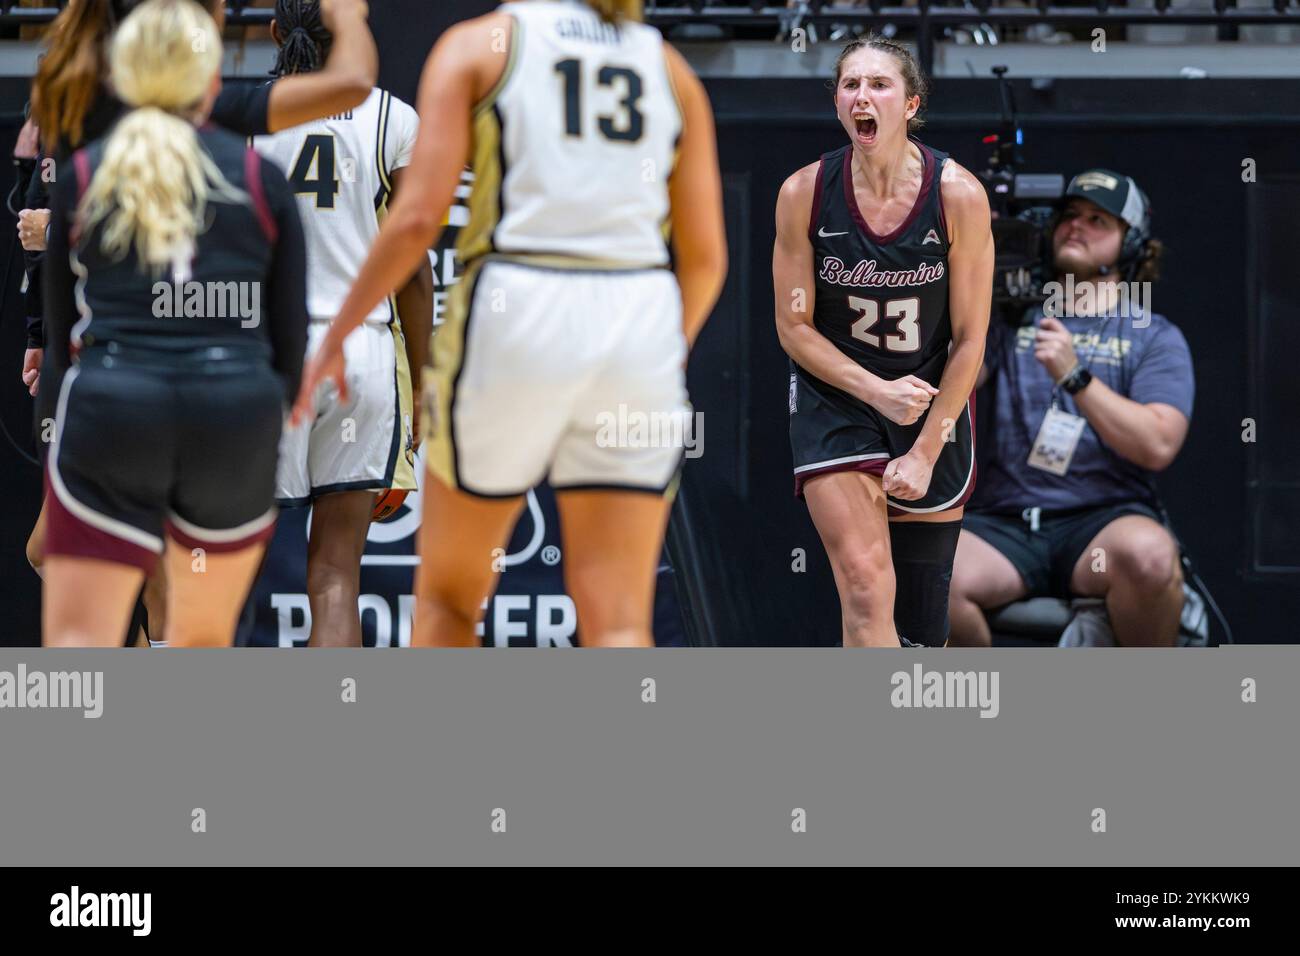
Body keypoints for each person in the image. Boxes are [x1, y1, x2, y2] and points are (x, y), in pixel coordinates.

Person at [294, 0, 727, 647]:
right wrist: (666, 351)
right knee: (619, 622)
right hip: (636, 320)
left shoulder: (480, 46)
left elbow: (415, 223)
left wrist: (336, 335)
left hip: (517, 309)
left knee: (447, 603)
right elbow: (705, 259)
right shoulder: (669, 69)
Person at [20, 0, 375, 644]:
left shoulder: (81, 170)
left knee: (78, 644)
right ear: (213, 77)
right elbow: (286, 344)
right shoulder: (260, 175)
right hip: (230, 415)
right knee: (200, 640)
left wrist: (58, 445)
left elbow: (64, 336)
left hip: (114, 405)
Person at [773, 36, 993, 647]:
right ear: (838, 104)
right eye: (850, 85)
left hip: (930, 399)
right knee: (867, 587)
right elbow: (793, 326)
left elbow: (972, 340)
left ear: (911, 103)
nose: (862, 96)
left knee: (922, 629)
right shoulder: (804, 193)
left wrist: (925, 449)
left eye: (879, 85)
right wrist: (876, 391)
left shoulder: (959, 195)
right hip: (838, 396)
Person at [950, 171, 1193, 647]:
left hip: (1101, 521)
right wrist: (974, 274)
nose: (1076, 227)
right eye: (1069, 217)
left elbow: (1159, 444)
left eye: (1098, 219)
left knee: (1150, 556)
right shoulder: (1009, 314)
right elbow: (950, 388)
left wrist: (1075, 376)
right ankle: (981, 709)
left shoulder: (1152, 334)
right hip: (1005, 522)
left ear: (1132, 243)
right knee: (928, 578)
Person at [253, 0, 432, 647]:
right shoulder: (393, 118)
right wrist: (425, 383)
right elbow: (413, 269)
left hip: (267, 354)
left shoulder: (245, 117)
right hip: (362, 358)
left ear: (275, 32)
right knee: (334, 574)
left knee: (217, 568)